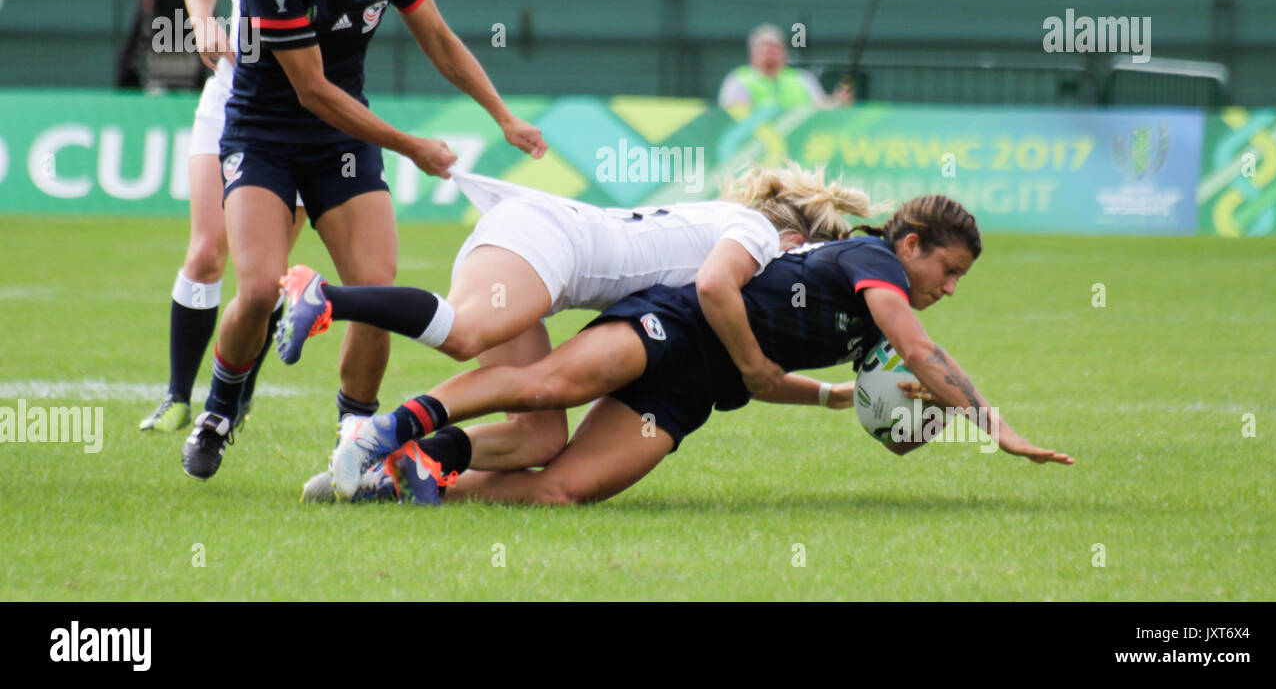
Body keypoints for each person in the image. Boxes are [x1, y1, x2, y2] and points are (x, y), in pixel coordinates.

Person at [327, 194, 1072, 507]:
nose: (950, 287)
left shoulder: (875, 329)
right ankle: (394, 426)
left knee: (563, 490)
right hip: (675, 327)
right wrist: (994, 426)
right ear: (910, 245)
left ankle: (416, 482)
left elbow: (800, 393)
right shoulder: (870, 260)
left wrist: (873, 407)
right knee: (544, 387)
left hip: (688, 396)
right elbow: (921, 345)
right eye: (948, 271)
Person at [181, 0, 548, 481]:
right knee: (259, 288)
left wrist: (502, 116)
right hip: (264, 136)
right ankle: (218, 411)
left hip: (340, 146)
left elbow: (439, 40)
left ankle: (355, 432)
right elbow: (314, 91)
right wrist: (411, 147)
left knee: (376, 292)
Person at [279, 162, 880, 500]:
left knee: (537, 438)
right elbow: (715, 290)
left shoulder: (739, 227)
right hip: (550, 243)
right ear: (797, 240)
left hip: (539, 249)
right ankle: (326, 299)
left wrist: (827, 394)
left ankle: (386, 477)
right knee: (463, 333)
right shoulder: (757, 233)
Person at [140, 0, 340, 434]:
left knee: (265, 275)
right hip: (229, 103)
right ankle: (177, 397)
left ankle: (231, 399)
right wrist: (201, 23)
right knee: (206, 252)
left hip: (306, 117)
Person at [717, 23, 853, 120]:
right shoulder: (739, 79)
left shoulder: (802, 79)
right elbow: (731, 118)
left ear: (784, 52)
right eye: (764, 49)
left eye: (775, 48)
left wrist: (837, 102)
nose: (769, 53)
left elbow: (820, 110)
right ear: (752, 54)